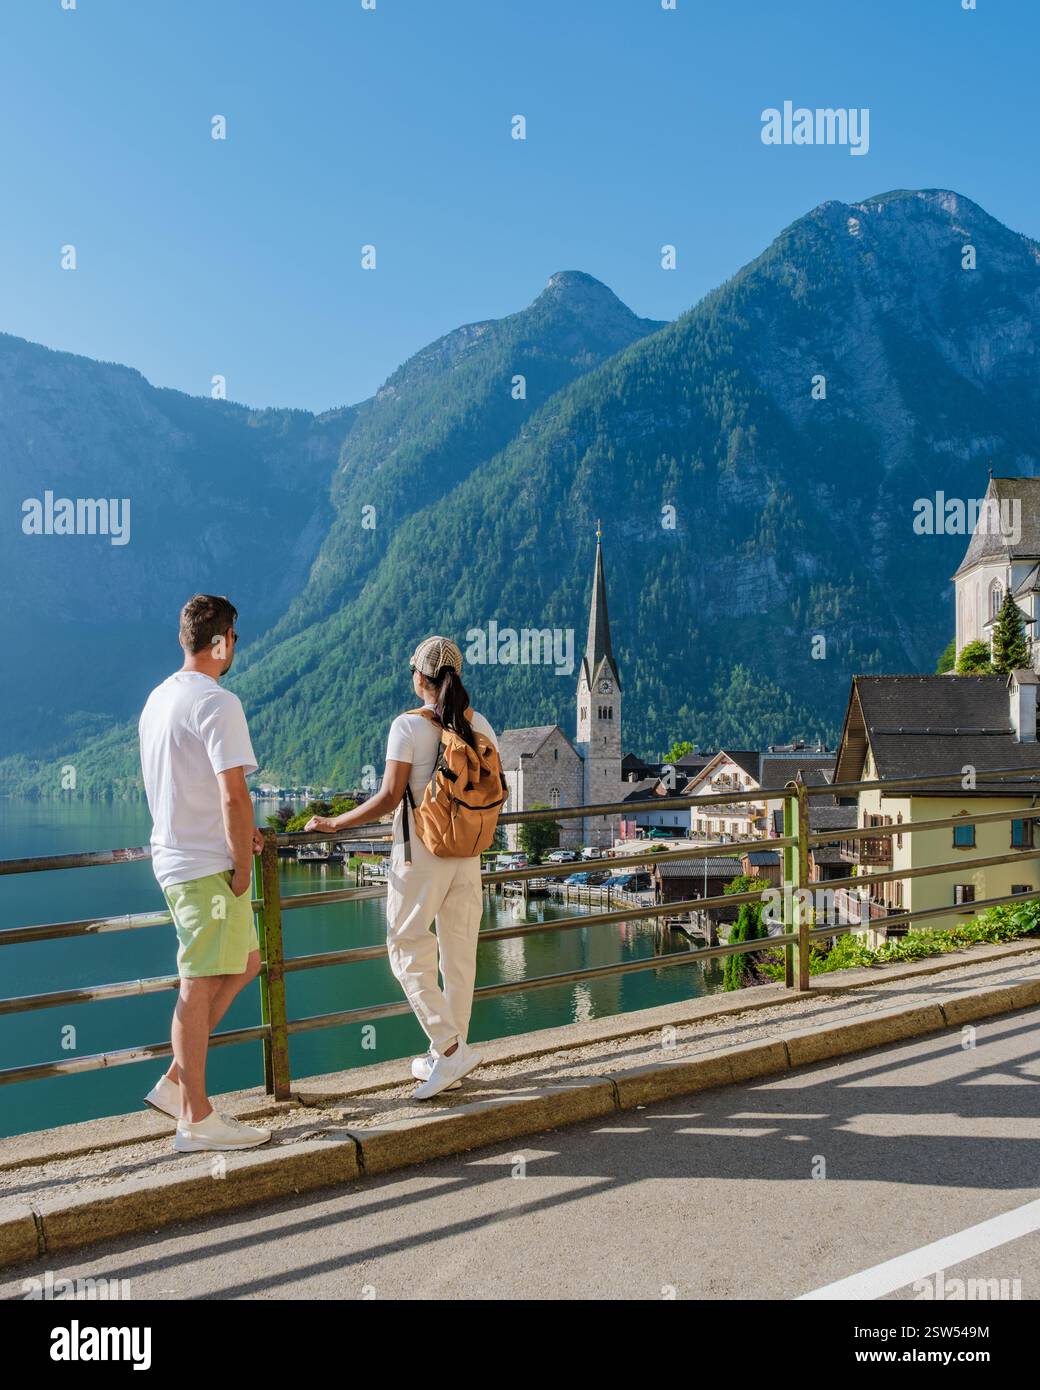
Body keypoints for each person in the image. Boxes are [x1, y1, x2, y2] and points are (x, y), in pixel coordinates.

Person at [305, 636, 498, 1099]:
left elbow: (389, 797)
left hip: (422, 856)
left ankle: (449, 1050)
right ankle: (448, 1052)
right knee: (458, 956)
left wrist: (334, 822)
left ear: (419, 678)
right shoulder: (481, 725)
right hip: (469, 855)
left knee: (405, 948)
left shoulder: (407, 727)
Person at [138, 594, 271, 1153]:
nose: (236, 646)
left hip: (176, 857)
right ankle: (196, 1117)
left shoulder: (158, 699)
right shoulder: (218, 703)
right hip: (206, 868)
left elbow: (184, 788)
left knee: (245, 962)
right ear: (220, 642)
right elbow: (232, 795)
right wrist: (242, 865)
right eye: (235, 637)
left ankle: (176, 1082)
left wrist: (240, 841)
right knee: (196, 985)